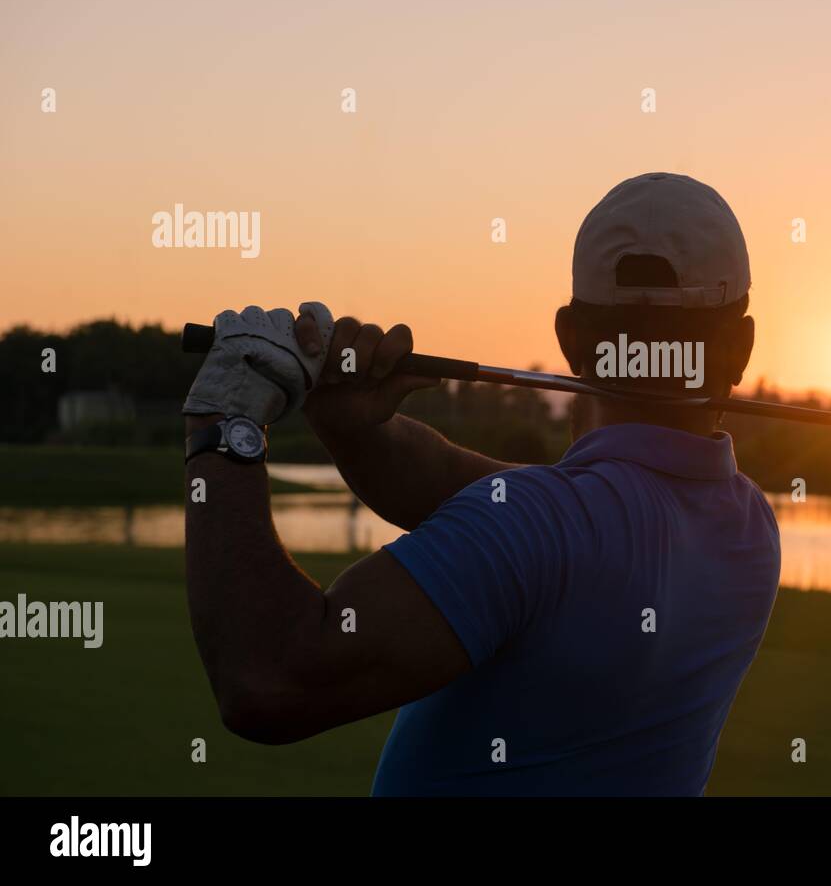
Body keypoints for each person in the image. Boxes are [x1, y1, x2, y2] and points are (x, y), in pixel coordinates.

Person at [183, 172, 782, 795]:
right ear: (740, 347)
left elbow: (268, 678)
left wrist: (226, 417)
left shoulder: (543, 525)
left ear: (568, 337)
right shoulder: (749, 528)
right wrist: (354, 431)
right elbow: (456, 486)